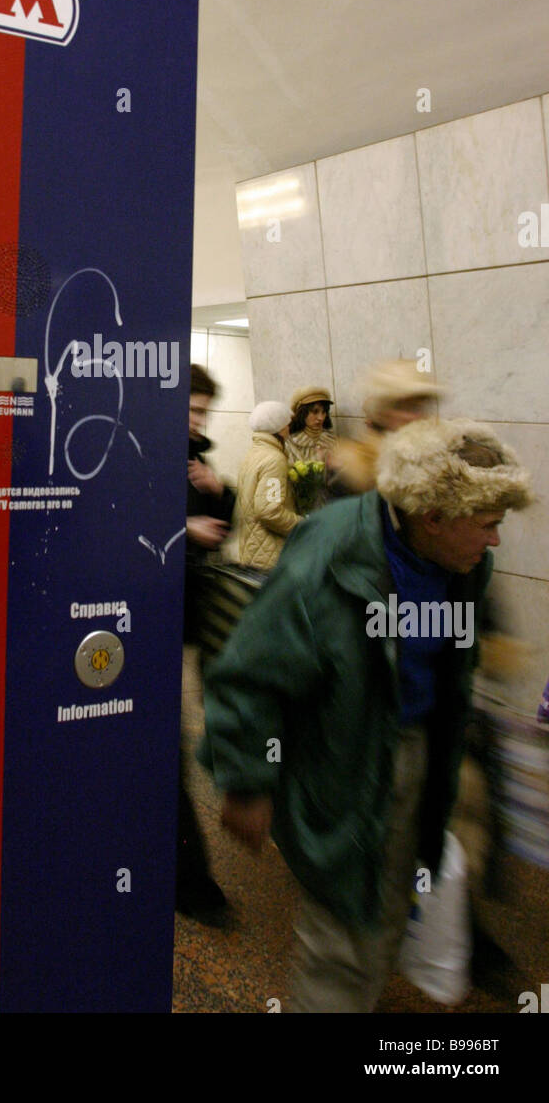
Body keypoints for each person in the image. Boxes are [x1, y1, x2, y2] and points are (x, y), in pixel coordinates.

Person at [199, 418, 533, 1011]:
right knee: (341, 936)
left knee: (387, 910)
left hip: (416, 750)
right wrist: (248, 780)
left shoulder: (460, 563)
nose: (495, 543)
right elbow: (250, 672)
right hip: (341, 755)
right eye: (487, 526)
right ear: (434, 517)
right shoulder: (328, 558)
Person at [178, 364, 235, 920]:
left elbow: (218, 523)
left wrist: (220, 495)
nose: (198, 422)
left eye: (204, 413)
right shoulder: (137, 446)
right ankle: (189, 882)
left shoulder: (196, 458)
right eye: (192, 411)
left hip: (188, 612)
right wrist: (182, 529)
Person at [328, 358, 441, 495]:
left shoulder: (434, 457)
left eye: (418, 407)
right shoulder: (356, 467)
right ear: (382, 412)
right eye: (402, 408)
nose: (414, 417)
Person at [237, 400, 301, 571]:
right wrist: (302, 525)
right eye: (287, 425)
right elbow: (269, 511)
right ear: (279, 428)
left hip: (252, 550)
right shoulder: (274, 460)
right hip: (270, 556)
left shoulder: (253, 454)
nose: (289, 430)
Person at [285, 386, 337, 464]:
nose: (321, 418)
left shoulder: (331, 440)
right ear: (302, 413)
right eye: (315, 412)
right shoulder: (290, 442)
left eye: (324, 412)